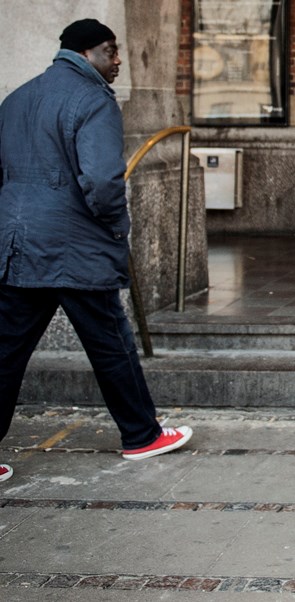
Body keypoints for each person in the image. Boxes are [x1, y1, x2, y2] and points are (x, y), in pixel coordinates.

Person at [0, 19, 194, 482]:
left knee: (5, 351)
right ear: (87, 53)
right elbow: (104, 182)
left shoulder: (17, 98)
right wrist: (110, 228)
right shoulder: (93, 101)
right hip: (74, 247)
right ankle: (142, 435)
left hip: (19, 244)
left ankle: (142, 432)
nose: (119, 60)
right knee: (111, 344)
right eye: (112, 51)